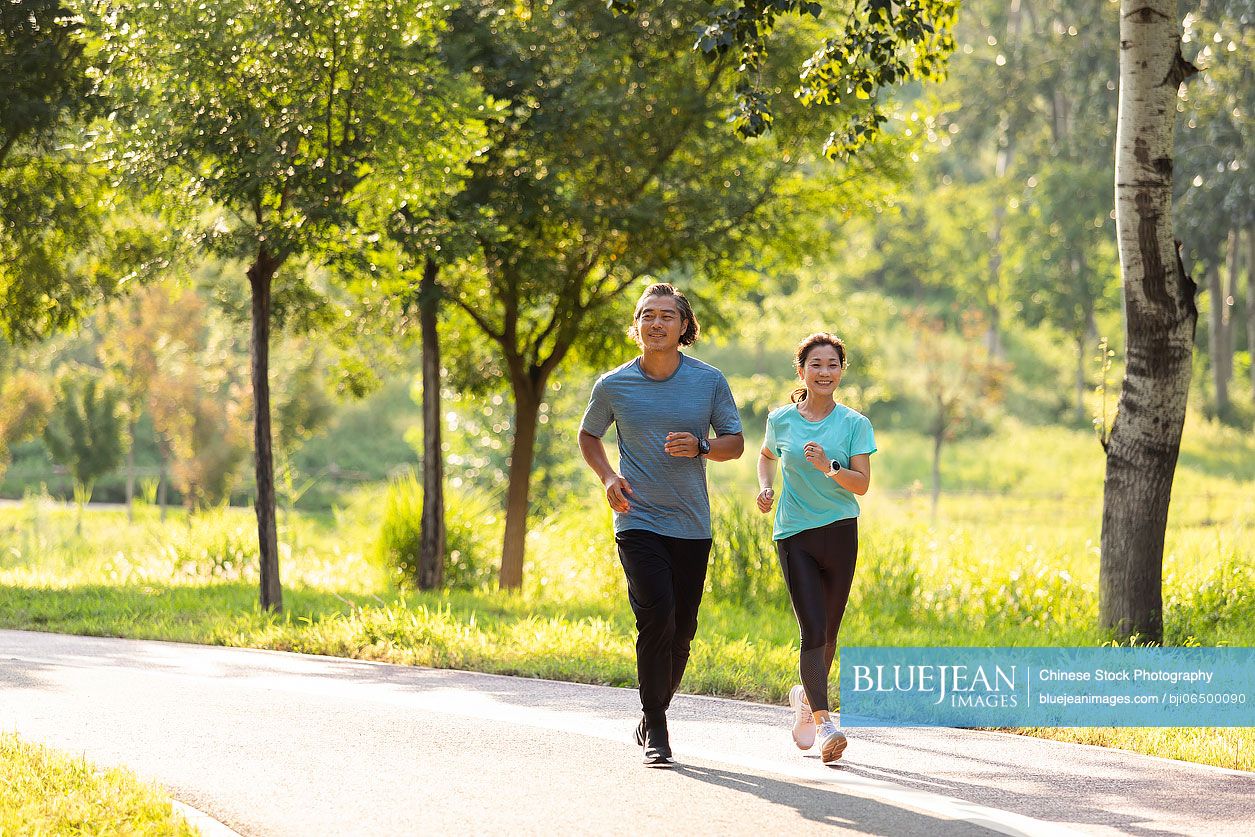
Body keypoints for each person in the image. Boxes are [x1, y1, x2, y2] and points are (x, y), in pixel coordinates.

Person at [578, 283, 744, 767]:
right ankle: (659, 729)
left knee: (682, 630)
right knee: (657, 616)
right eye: (647, 315)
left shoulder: (708, 381)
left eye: (666, 316)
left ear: (684, 327)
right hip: (638, 519)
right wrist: (608, 476)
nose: (656, 323)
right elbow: (589, 435)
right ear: (636, 325)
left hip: (692, 524)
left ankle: (653, 712)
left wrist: (702, 447)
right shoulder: (613, 384)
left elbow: (733, 441)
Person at [756, 332, 875, 764]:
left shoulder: (855, 423)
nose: (824, 372)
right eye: (816, 364)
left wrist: (830, 467)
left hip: (841, 531)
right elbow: (766, 456)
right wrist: (765, 487)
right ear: (801, 369)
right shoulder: (781, 419)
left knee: (830, 633)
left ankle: (806, 700)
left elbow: (861, 485)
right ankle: (826, 724)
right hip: (794, 534)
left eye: (832, 365)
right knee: (812, 629)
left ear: (841, 372)